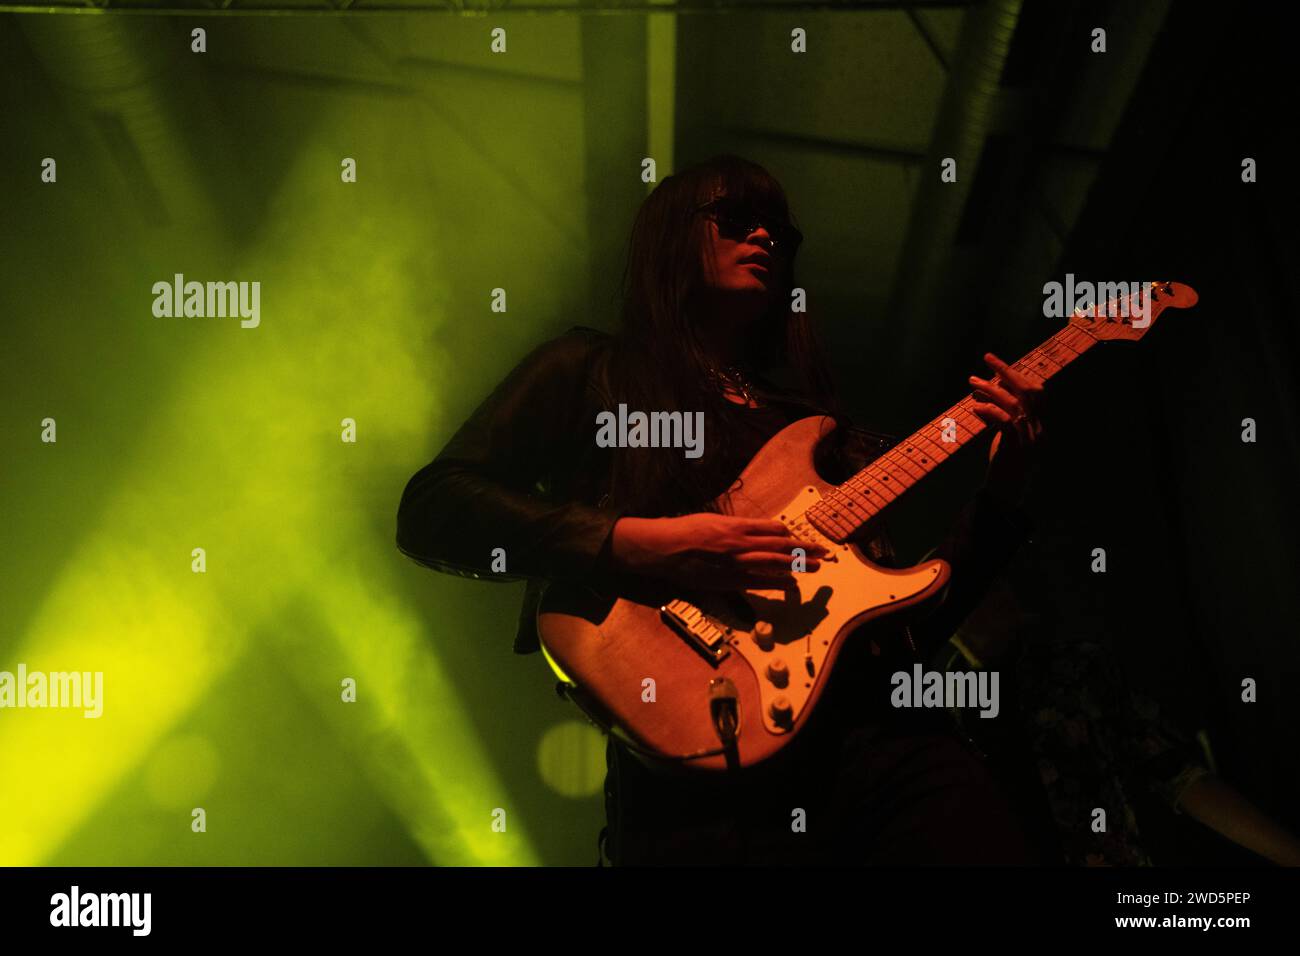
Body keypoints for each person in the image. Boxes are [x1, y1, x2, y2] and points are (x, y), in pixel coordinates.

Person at [397, 154, 1050, 865]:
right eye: (738, 221)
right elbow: (435, 508)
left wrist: (1001, 496)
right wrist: (632, 544)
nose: (767, 238)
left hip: (888, 751)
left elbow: (901, 629)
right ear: (671, 237)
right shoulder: (589, 370)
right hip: (699, 778)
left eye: (781, 233)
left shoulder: (819, 430)